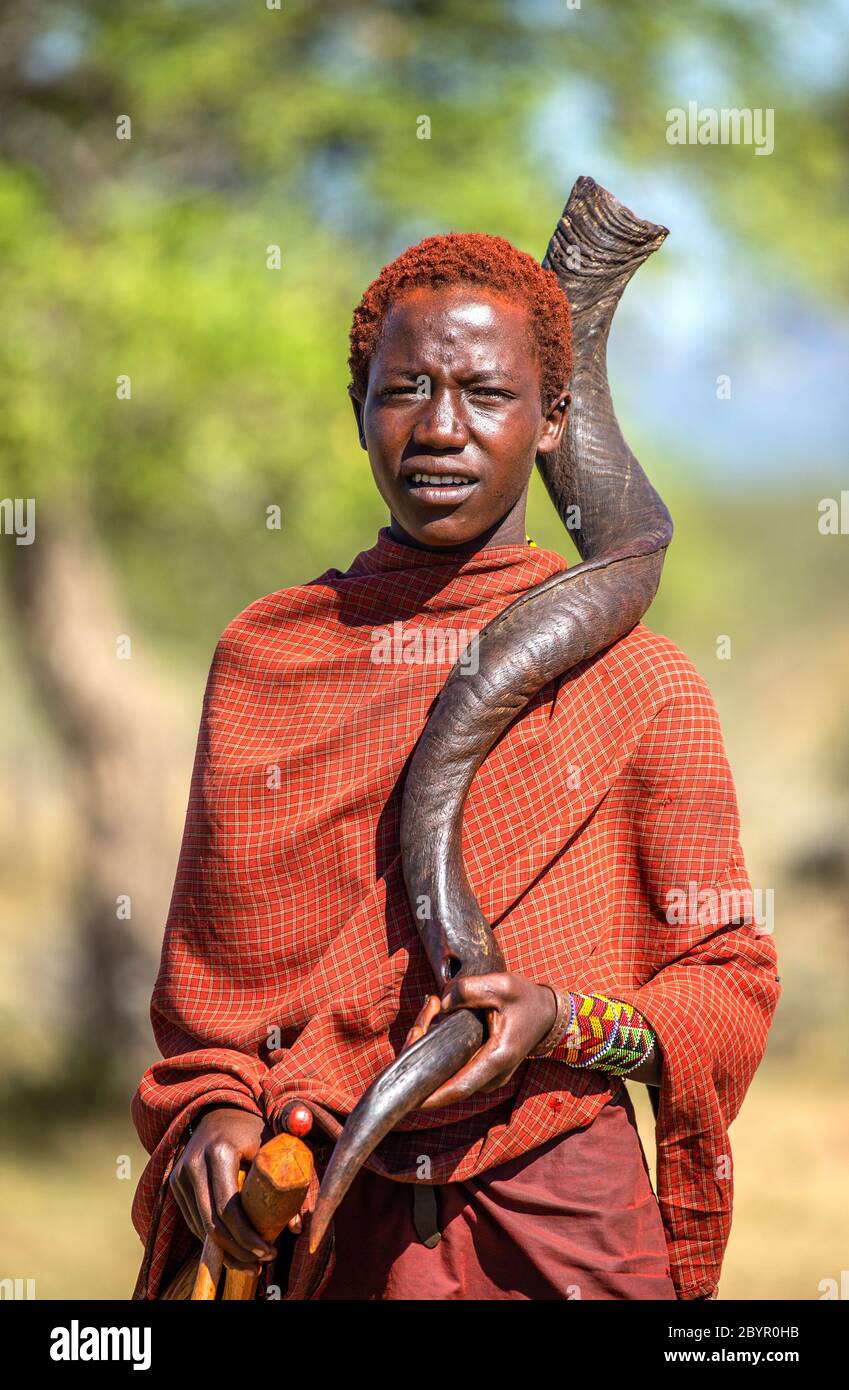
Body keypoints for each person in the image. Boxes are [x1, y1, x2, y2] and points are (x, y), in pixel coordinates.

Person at [131, 232, 780, 1301]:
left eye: (485, 392)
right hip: (320, 1219)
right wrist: (216, 1114)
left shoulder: (640, 682)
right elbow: (209, 1019)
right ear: (359, 413)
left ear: (553, 423)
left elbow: (729, 985)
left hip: (564, 1222)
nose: (440, 427)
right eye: (405, 391)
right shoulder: (268, 659)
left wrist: (563, 1022)